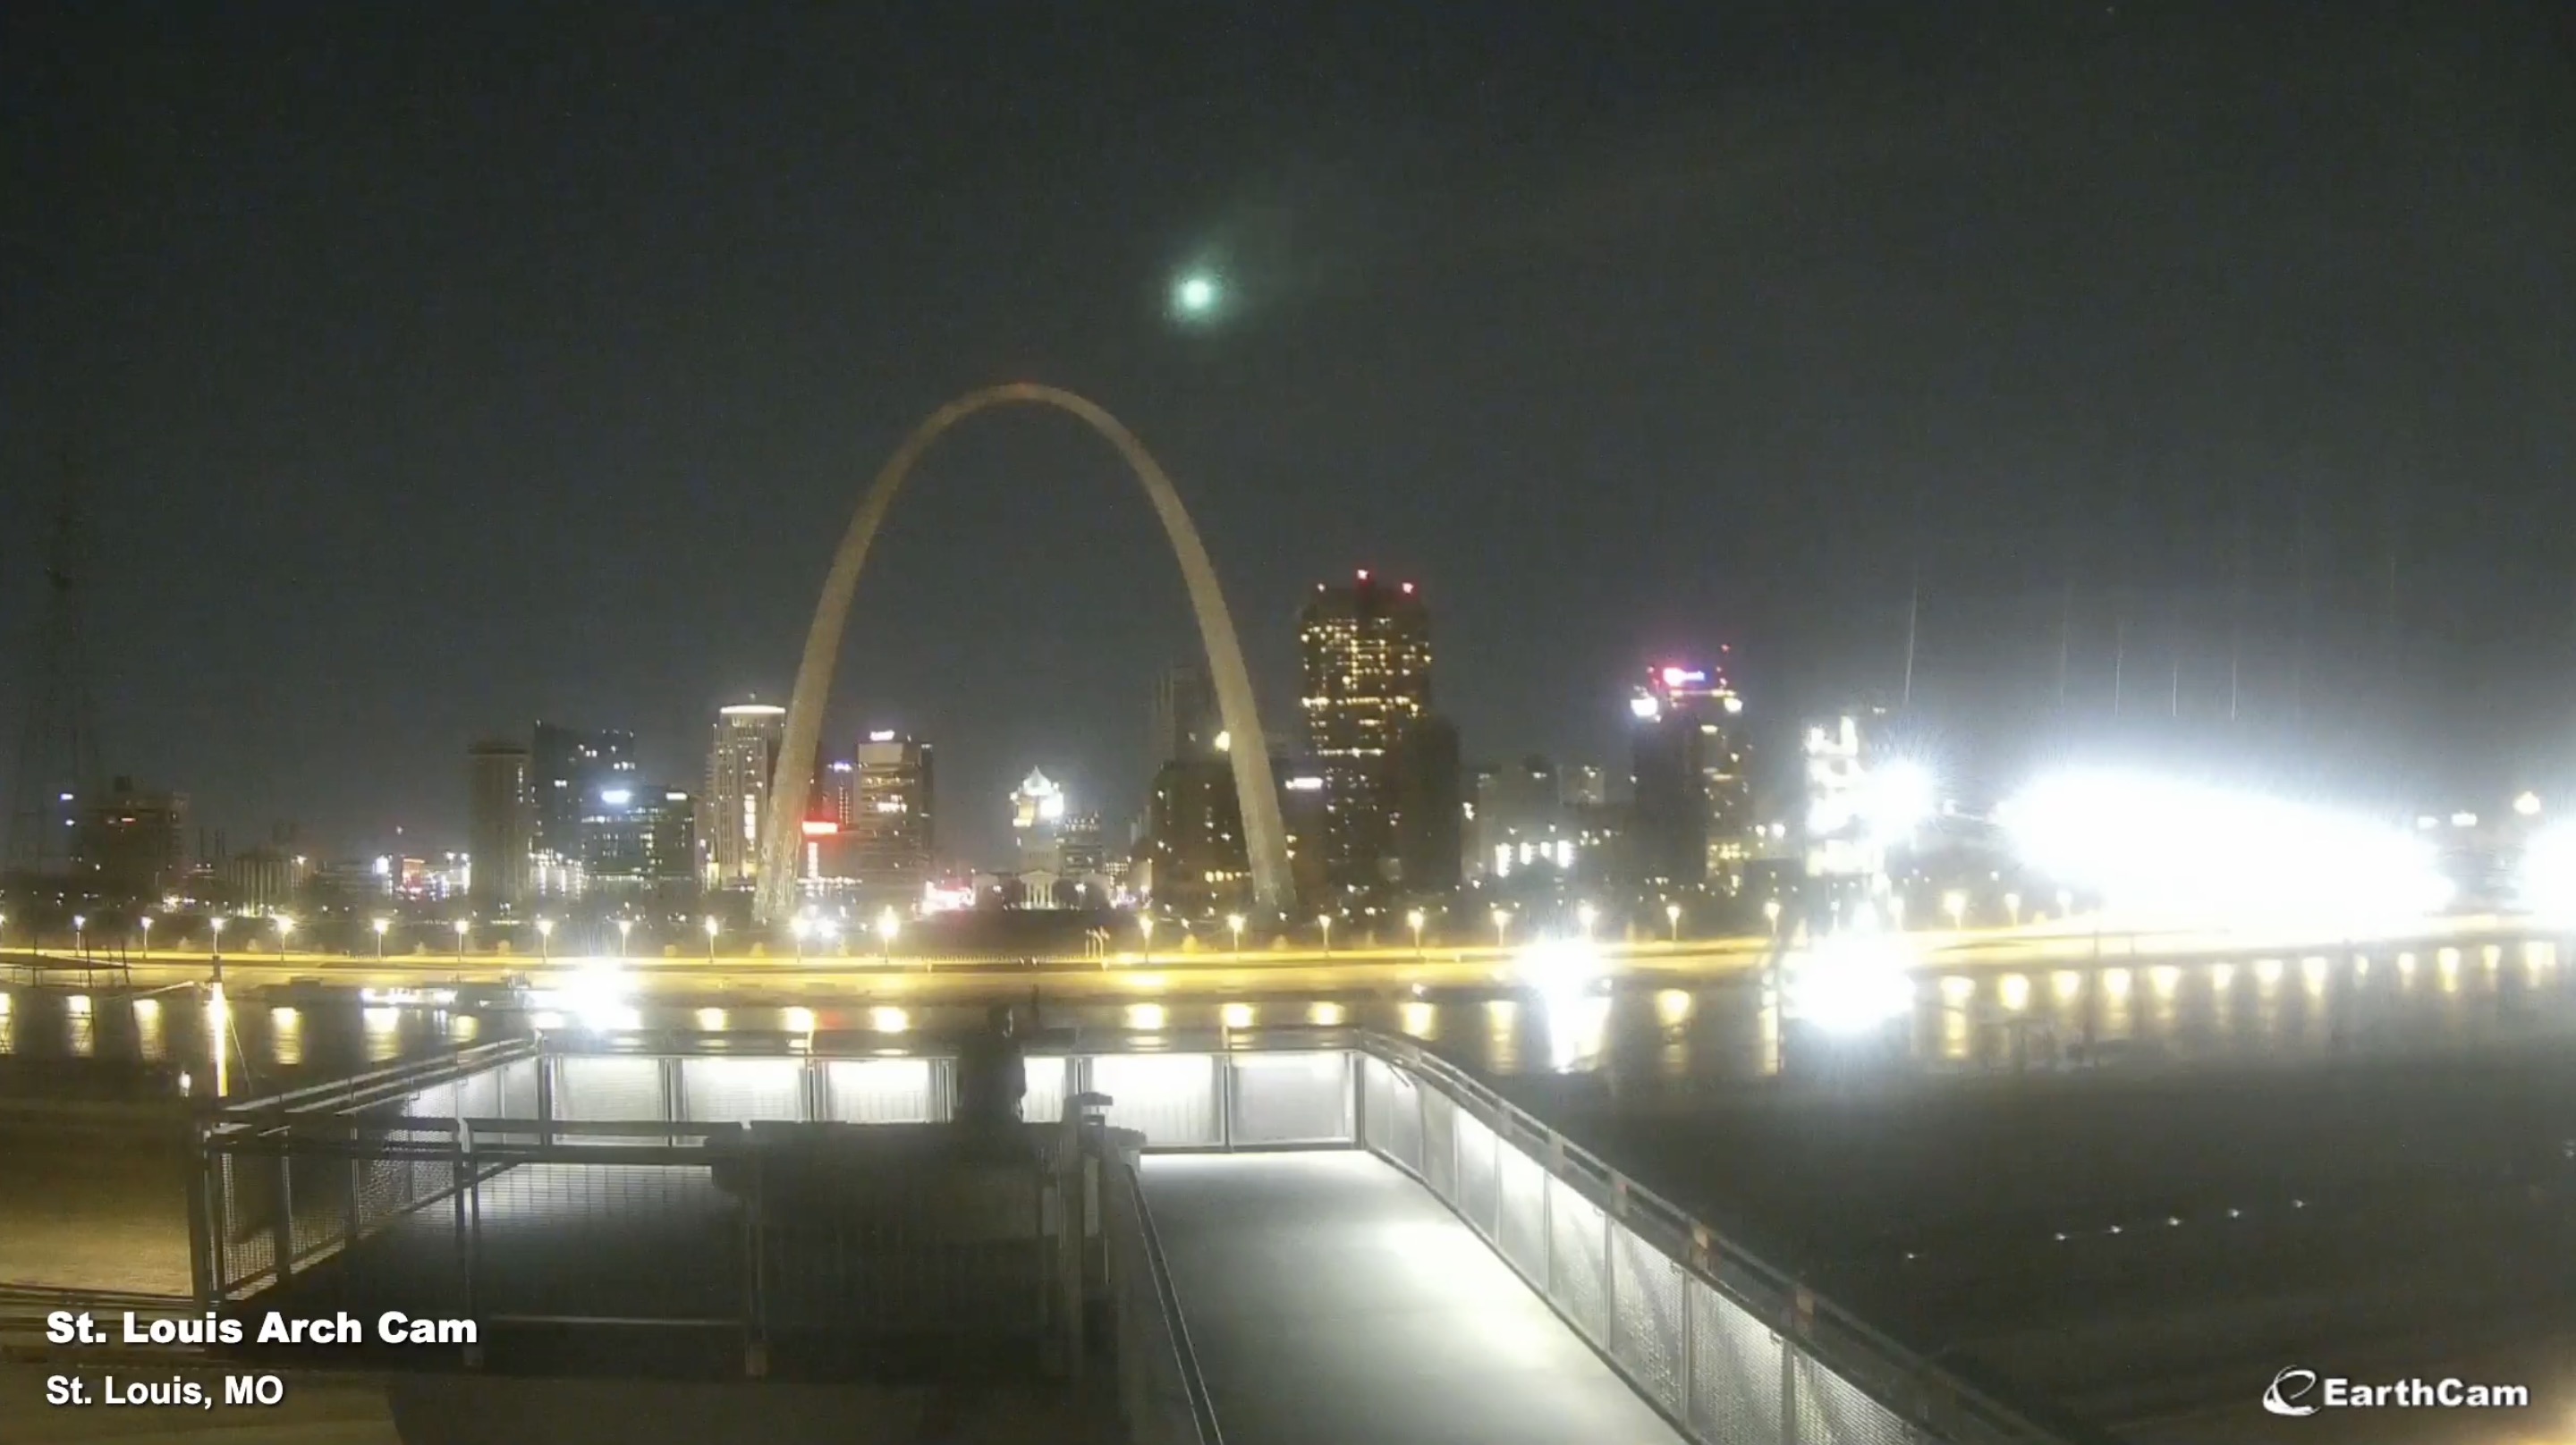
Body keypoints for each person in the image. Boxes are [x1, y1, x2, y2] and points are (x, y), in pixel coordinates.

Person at [954, 1002, 1026, 1132]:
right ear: (1008, 1024)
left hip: (973, 1118)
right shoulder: (1013, 1050)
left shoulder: (971, 1048)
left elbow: (960, 1083)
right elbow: (1021, 1088)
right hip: (1004, 1117)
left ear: (989, 1023)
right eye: (1010, 1021)